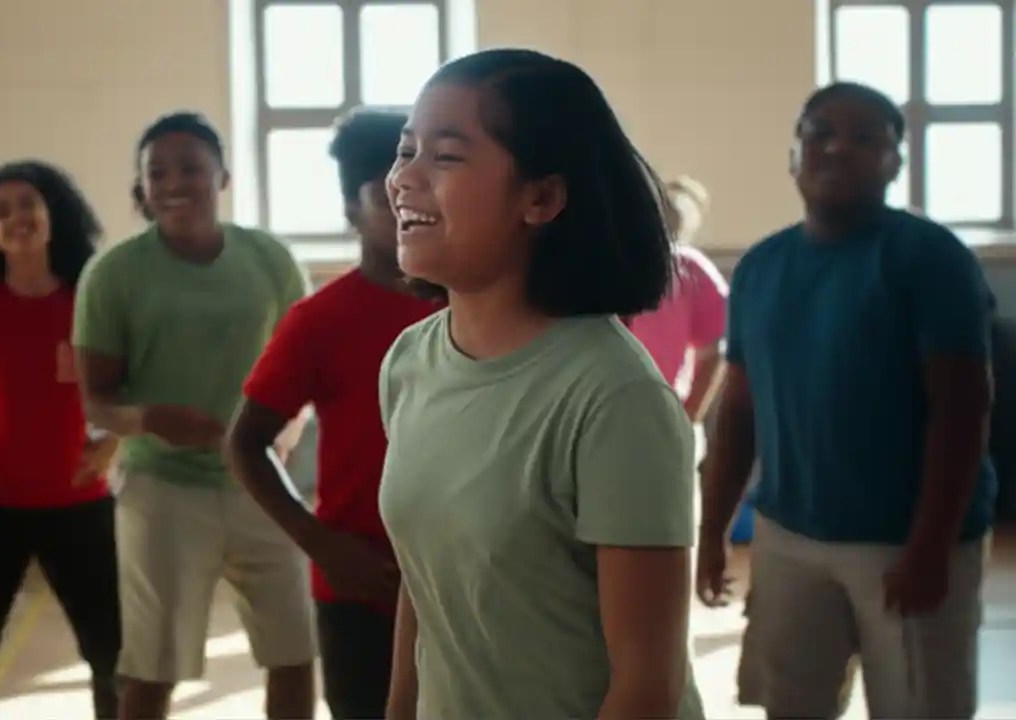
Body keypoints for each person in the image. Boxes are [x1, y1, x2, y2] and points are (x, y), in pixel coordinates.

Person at [378, 48, 705, 720]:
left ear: (542, 198)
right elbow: (428, 582)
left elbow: (647, 684)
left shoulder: (615, 398)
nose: (404, 178)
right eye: (406, 150)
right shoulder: (411, 362)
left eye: (446, 156)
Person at [696, 81, 996, 719]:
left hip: (904, 543)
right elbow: (740, 412)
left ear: (895, 162)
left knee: (919, 708)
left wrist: (930, 546)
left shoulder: (930, 259)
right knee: (791, 705)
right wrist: (713, 528)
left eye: (865, 138)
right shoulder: (761, 268)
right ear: (793, 154)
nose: (838, 148)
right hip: (788, 537)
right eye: (821, 133)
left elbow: (962, 411)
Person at [73, 111, 316, 720]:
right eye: (157, 172)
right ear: (142, 186)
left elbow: (304, 367)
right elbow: (97, 401)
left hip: (259, 483)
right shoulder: (114, 274)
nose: (174, 183)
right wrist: (150, 419)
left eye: (190, 168)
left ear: (223, 177)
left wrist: (283, 434)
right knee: (153, 670)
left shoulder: (269, 259)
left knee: (294, 653)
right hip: (162, 491)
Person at [228, 108, 438, 720]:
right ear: (352, 210)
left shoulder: (472, 306)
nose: (406, 204)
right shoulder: (320, 321)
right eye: (386, 194)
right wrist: (321, 544)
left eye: (420, 186)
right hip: (361, 587)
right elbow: (246, 443)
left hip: (464, 582)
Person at [0, 161, 121, 719]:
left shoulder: (89, 304)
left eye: (28, 204)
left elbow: (133, 382)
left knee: (114, 652)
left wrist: (114, 441)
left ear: (53, 215)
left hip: (79, 501)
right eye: (1, 211)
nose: (18, 218)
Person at [627, 175, 728, 425]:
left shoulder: (692, 269)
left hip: (666, 412)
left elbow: (715, 350)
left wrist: (688, 417)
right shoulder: (613, 265)